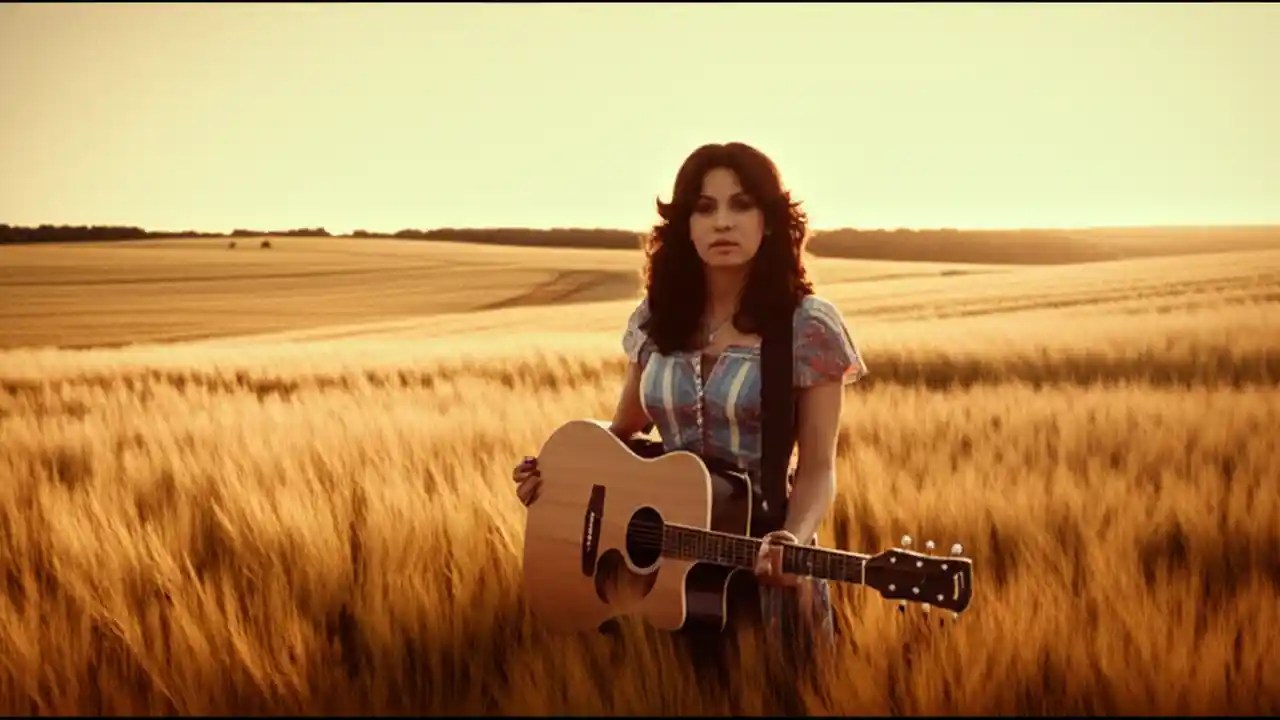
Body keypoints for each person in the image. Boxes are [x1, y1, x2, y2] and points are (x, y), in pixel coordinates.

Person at [512, 141, 868, 708]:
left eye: (741, 204)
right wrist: (552, 478)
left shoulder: (807, 326)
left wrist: (792, 542)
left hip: (757, 565)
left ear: (771, 221)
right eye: (703, 207)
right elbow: (623, 429)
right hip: (653, 580)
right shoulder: (656, 319)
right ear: (684, 225)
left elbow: (820, 467)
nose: (722, 221)